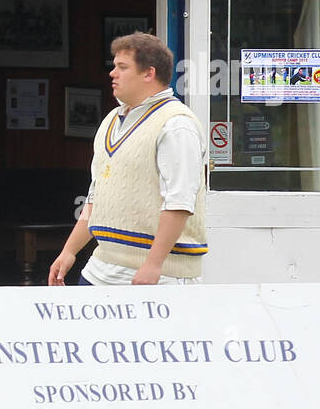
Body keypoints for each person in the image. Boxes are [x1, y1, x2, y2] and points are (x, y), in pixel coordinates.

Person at [48, 32, 207, 287]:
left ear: (149, 73)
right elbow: (95, 198)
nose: (113, 73)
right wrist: (69, 251)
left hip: (160, 275)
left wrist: (153, 265)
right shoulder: (111, 121)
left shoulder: (176, 125)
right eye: (114, 66)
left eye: (122, 67)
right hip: (100, 269)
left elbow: (179, 203)